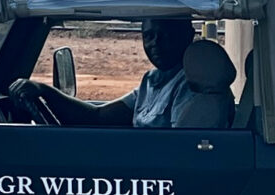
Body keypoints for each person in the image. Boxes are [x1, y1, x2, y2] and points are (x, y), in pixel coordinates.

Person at [11, 16, 203, 127]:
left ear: (187, 36)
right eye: (149, 36)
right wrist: (44, 91)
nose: (155, 44)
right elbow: (99, 117)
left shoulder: (191, 87)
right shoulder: (152, 81)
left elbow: (178, 148)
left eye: (165, 36)